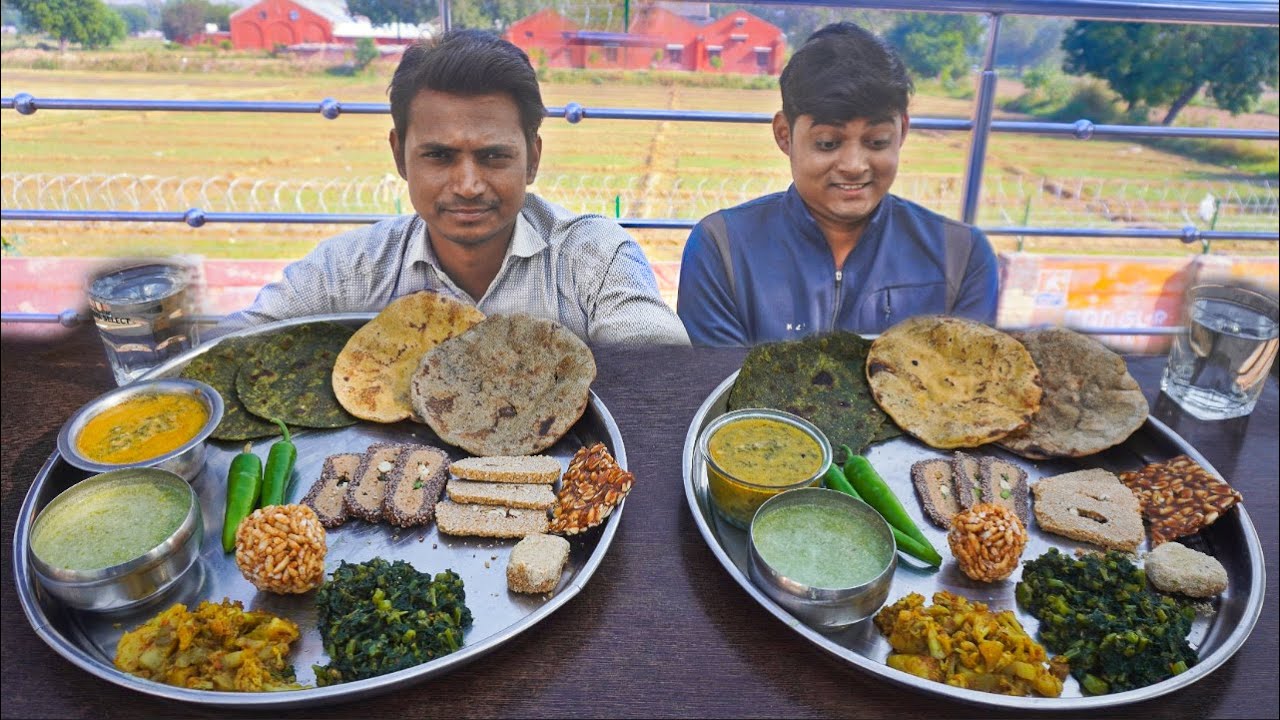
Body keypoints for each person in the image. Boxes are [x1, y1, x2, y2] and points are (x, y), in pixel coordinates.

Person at [222, 30, 688, 345]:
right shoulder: (351, 269)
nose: (467, 186)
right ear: (399, 154)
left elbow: (658, 370)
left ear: (533, 159)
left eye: (493, 156)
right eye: (439, 156)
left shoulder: (595, 259)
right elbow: (230, 349)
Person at [676, 22, 999, 346]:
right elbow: (722, 389)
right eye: (828, 143)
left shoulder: (961, 258)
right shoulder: (722, 250)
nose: (854, 166)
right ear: (784, 135)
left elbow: (966, 388)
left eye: (877, 141)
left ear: (901, 130)